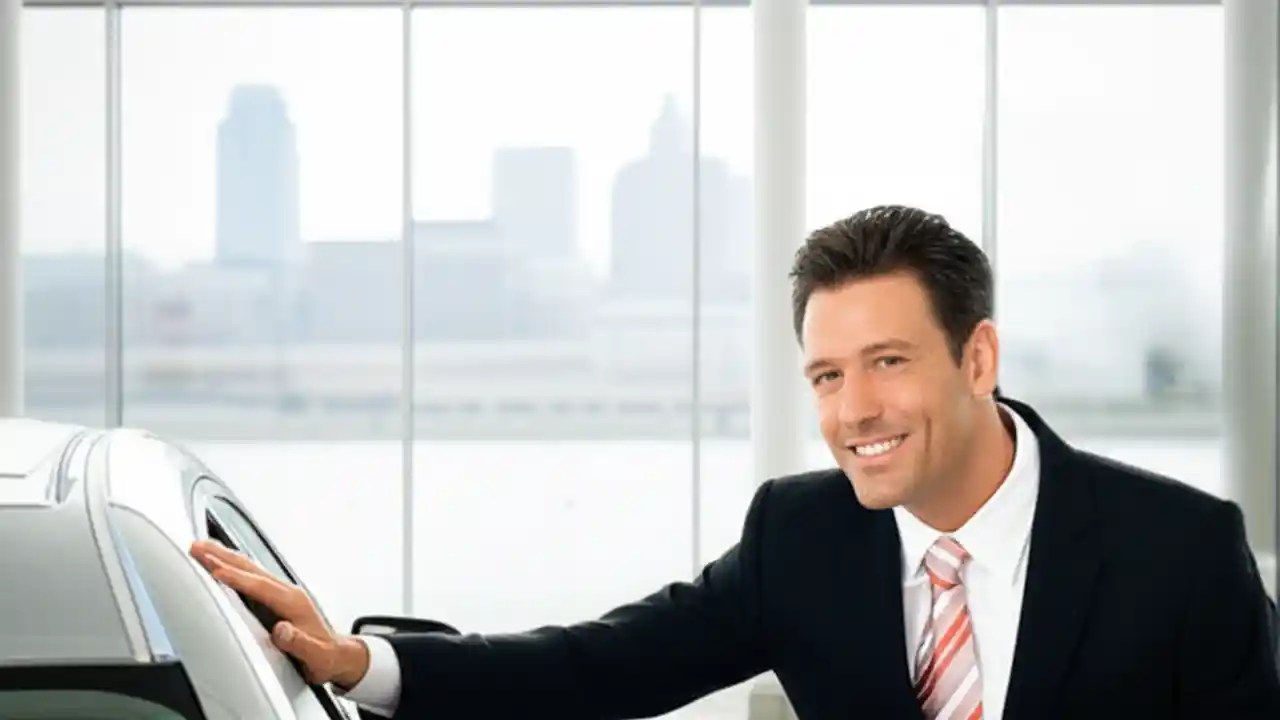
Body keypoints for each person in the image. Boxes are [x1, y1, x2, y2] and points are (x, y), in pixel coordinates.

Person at [191, 205, 1280, 719]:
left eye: (887, 362)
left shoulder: (1176, 553)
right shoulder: (801, 537)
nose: (854, 411)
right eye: (823, 376)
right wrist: (357, 663)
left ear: (976, 355)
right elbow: (597, 666)